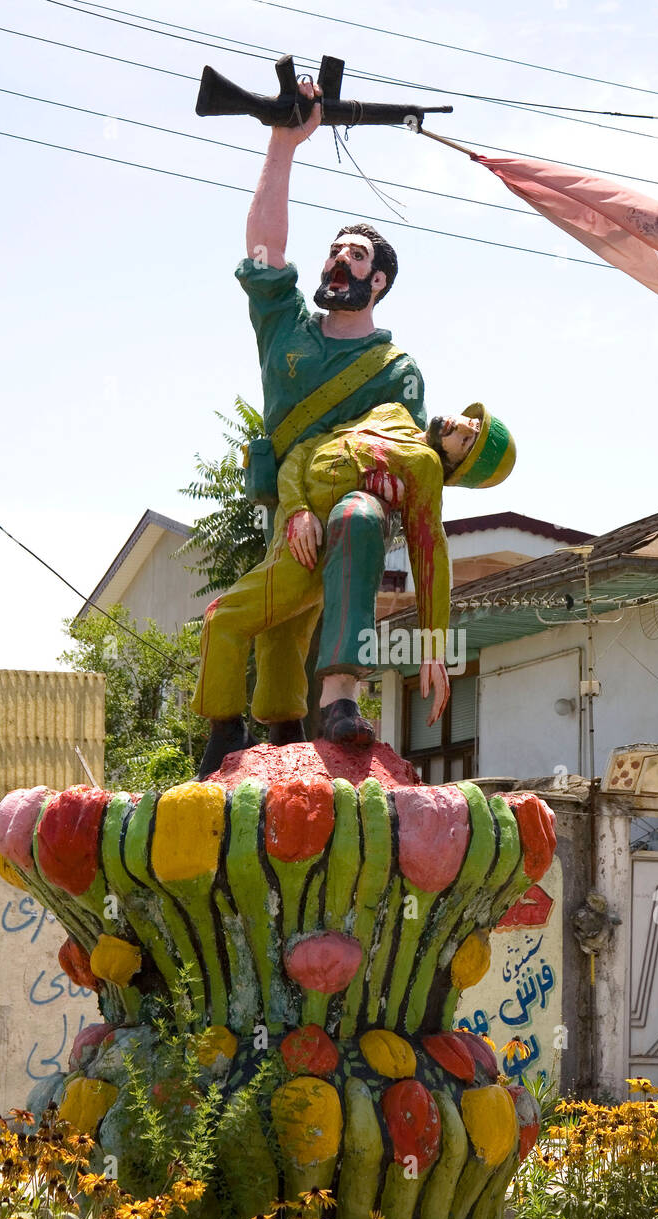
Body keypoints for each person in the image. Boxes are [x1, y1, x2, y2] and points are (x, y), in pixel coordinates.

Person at [197, 75, 428, 771]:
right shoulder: (287, 333)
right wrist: (282, 144)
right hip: (280, 518)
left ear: (379, 280)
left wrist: (315, 502)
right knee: (276, 633)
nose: (339, 258)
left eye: (356, 253)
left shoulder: (396, 369)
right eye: (335, 249)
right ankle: (271, 742)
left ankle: (340, 698)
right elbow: (265, 248)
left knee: (357, 517)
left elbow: (396, 460)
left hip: (343, 516)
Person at [193, 400, 517, 776]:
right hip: (291, 528)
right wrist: (297, 509)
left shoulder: (423, 464)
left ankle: (225, 733)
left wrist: (433, 647)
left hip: (316, 550)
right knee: (283, 631)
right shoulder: (390, 413)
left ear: (455, 465)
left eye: (467, 440)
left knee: (224, 617)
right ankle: (284, 729)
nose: (461, 427)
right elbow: (304, 452)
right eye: (470, 424)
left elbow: (430, 550)